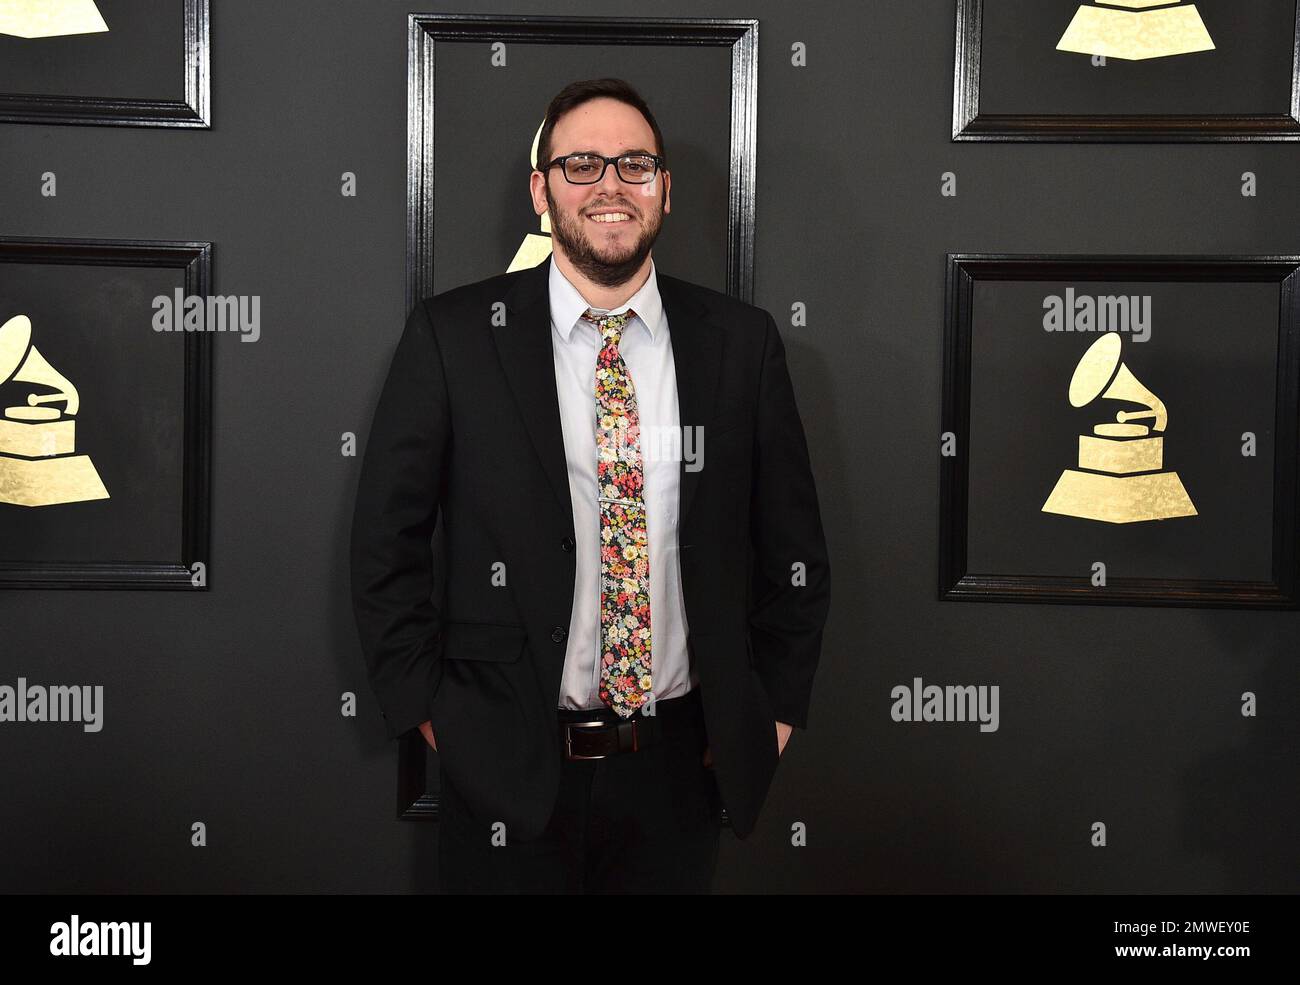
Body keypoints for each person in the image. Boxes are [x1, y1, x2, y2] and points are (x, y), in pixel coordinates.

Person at [350, 77, 830, 893]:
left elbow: (795, 552)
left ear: (665, 191)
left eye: (635, 164)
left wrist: (770, 716)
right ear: (542, 190)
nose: (610, 184)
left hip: (676, 773)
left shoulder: (741, 345)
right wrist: (440, 719)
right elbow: (384, 545)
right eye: (581, 164)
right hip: (506, 766)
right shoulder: (456, 337)